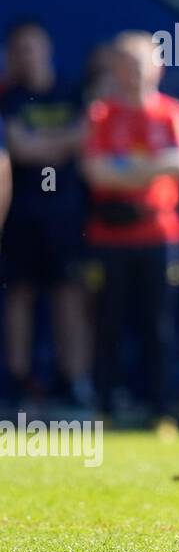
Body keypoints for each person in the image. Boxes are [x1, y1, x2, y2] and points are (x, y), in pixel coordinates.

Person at [82, 31, 179, 424]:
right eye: (126, 66)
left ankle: (161, 411)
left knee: (159, 326)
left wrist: (125, 169)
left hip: (159, 236)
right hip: (110, 236)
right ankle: (105, 407)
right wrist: (153, 167)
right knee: (108, 322)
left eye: (141, 65)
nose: (133, 74)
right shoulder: (102, 114)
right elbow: (96, 172)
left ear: (158, 68)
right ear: (114, 69)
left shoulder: (172, 112)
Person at [0, 21, 91, 413]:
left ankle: (73, 382)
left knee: (69, 297)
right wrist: (60, 144)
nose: (27, 55)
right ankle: (18, 382)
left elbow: (84, 138)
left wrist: (45, 145)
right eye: (19, 49)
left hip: (66, 215)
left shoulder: (73, 92)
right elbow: (18, 149)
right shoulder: (9, 98)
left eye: (32, 47)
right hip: (20, 215)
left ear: (48, 48)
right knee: (18, 295)